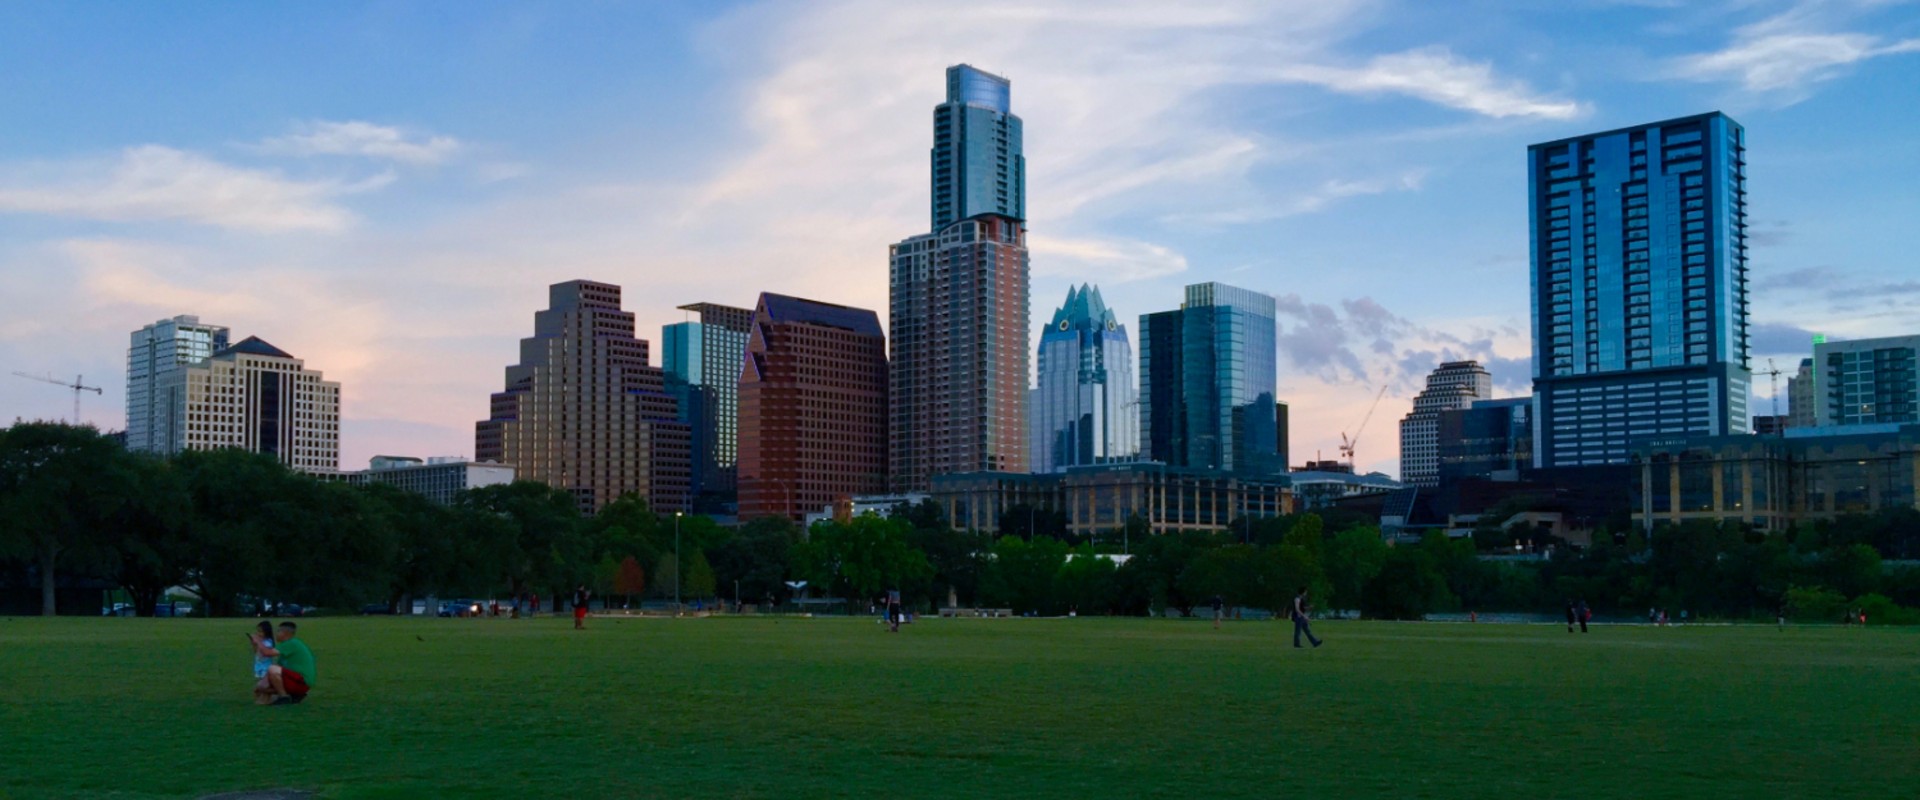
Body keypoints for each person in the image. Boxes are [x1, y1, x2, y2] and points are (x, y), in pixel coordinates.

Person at [265, 621, 315, 705]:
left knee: (272, 669)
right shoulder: (288, 645)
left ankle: (284, 697)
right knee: (262, 686)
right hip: (297, 681)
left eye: (278, 631)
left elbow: (268, 653)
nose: (276, 634)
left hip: (302, 682)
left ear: (285, 633)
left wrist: (258, 641)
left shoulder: (291, 643)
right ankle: (295, 695)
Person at [248, 620, 280, 705]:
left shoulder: (267, 642)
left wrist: (258, 642)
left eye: (261, 631)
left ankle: (268, 697)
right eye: (257, 631)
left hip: (266, 666)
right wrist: (254, 644)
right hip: (259, 665)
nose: (258, 633)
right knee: (259, 682)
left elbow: (266, 652)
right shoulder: (261, 642)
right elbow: (257, 652)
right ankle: (263, 697)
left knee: (263, 684)